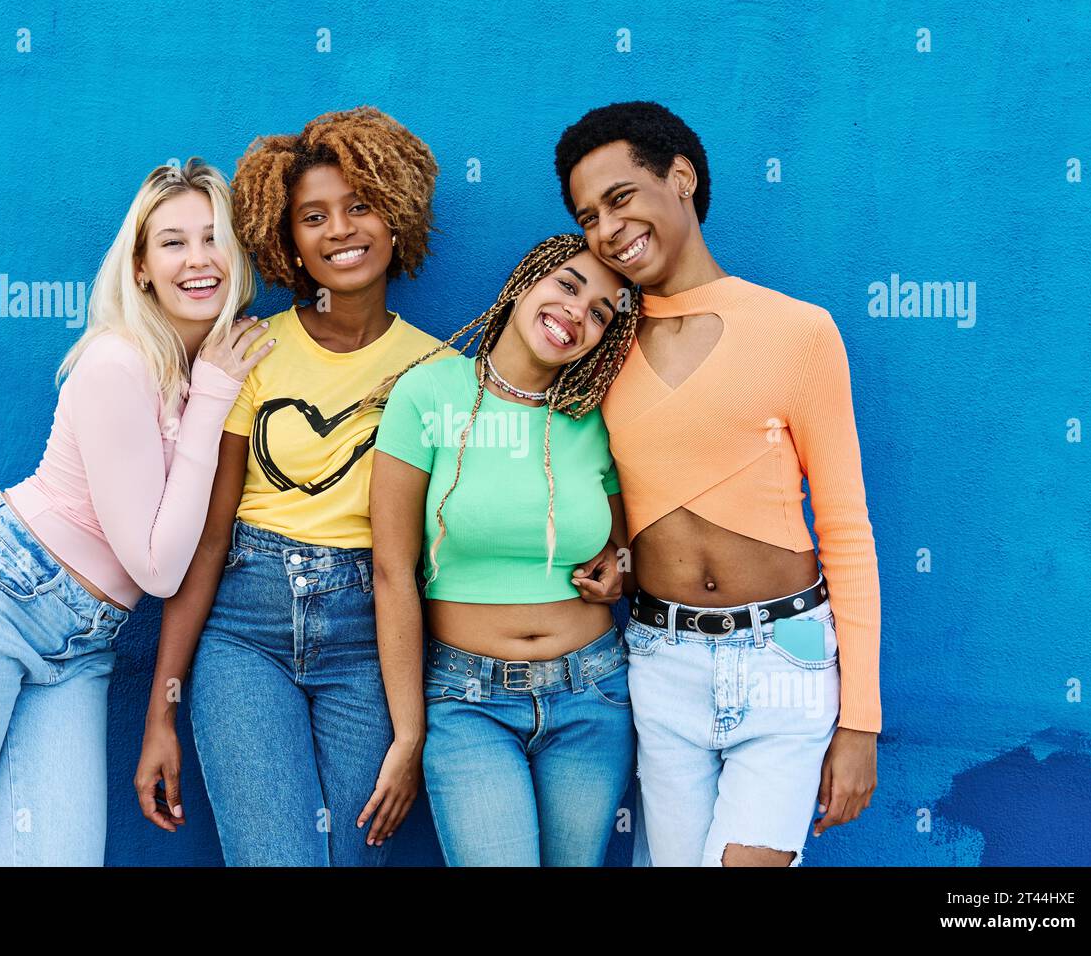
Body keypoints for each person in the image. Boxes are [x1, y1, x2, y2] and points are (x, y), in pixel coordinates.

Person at [0, 158, 268, 865]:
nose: (198, 260)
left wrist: (210, 391)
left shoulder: (197, 369)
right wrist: (212, 401)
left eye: (214, 238)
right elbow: (160, 567)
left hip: (80, 644)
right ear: (140, 267)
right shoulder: (119, 363)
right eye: (172, 242)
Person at [555, 101, 880, 866]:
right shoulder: (599, 346)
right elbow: (613, 500)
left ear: (681, 178)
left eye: (621, 197)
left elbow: (846, 530)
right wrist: (620, 563)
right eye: (588, 215)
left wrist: (860, 722)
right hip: (661, 663)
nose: (607, 228)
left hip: (787, 658)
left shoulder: (799, 331)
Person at [134, 107, 451, 865]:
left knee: (355, 855)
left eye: (361, 205)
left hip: (371, 644)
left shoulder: (439, 372)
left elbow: (431, 553)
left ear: (397, 214)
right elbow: (208, 541)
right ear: (288, 239)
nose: (340, 229)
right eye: (314, 216)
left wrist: (416, 730)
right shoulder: (254, 349)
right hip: (246, 632)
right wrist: (160, 714)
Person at [369, 233, 640, 865]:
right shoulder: (428, 395)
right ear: (525, 282)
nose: (578, 312)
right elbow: (391, 573)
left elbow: (627, 548)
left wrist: (619, 569)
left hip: (593, 694)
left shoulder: (596, 416)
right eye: (568, 286)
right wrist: (409, 733)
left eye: (601, 311)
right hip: (466, 702)